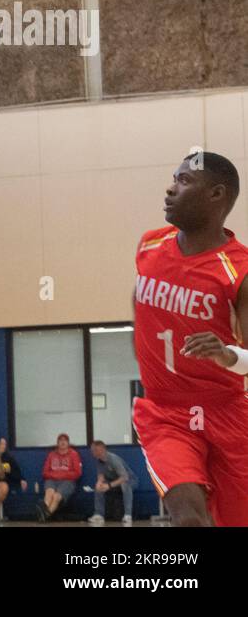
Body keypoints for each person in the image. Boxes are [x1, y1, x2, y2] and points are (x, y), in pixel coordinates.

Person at [132, 151, 248, 527]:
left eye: (184, 181)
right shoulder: (149, 246)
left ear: (216, 195)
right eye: (173, 178)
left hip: (228, 411)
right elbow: (141, 304)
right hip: (166, 413)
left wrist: (228, 355)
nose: (170, 188)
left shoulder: (238, 270)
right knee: (189, 518)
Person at [88, 441, 135, 525]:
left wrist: (109, 486)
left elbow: (125, 477)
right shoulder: (99, 461)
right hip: (114, 482)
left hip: (130, 480)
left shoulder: (113, 459)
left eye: (95, 450)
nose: (93, 452)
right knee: (99, 487)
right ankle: (99, 514)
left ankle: (128, 515)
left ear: (102, 450)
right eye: (92, 450)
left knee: (125, 485)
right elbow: (101, 476)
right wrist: (99, 483)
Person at [38, 433, 81, 521]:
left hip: (68, 481)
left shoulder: (74, 454)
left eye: (65, 440)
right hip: (52, 480)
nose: (62, 442)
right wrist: (56, 475)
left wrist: (61, 475)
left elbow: (77, 473)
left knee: (56, 496)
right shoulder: (51, 454)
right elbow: (45, 472)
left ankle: (45, 515)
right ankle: (44, 513)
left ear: (68, 443)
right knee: (49, 493)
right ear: (57, 443)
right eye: (60, 440)